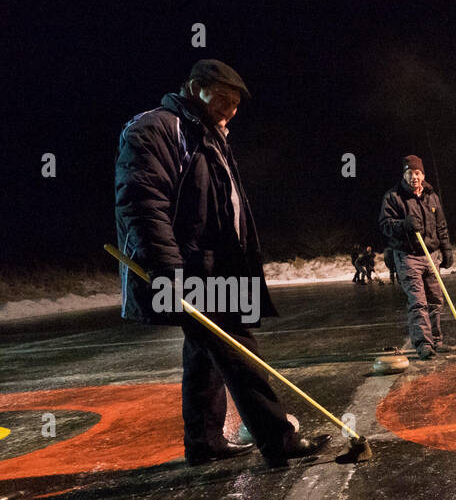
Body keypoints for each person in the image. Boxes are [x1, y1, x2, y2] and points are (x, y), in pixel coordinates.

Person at [114, 59, 328, 467]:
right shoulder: (156, 128)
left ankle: (204, 442)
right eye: (224, 100)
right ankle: (278, 441)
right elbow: (143, 203)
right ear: (197, 88)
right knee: (238, 350)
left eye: (236, 105)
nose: (231, 110)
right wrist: (168, 271)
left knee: (203, 354)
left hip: (221, 265)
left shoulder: (210, 136)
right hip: (190, 267)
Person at [379, 155, 454, 359]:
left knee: (436, 300)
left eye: (417, 172)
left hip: (431, 255)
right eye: (410, 173)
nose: (414, 177)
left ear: (423, 175)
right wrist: (403, 225)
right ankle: (423, 344)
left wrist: (446, 249)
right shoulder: (393, 197)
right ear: (404, 175)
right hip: (408, 257)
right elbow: (385, 225)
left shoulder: (432, 196)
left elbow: (441, 226)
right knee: (418, 302)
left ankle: (436, 341)